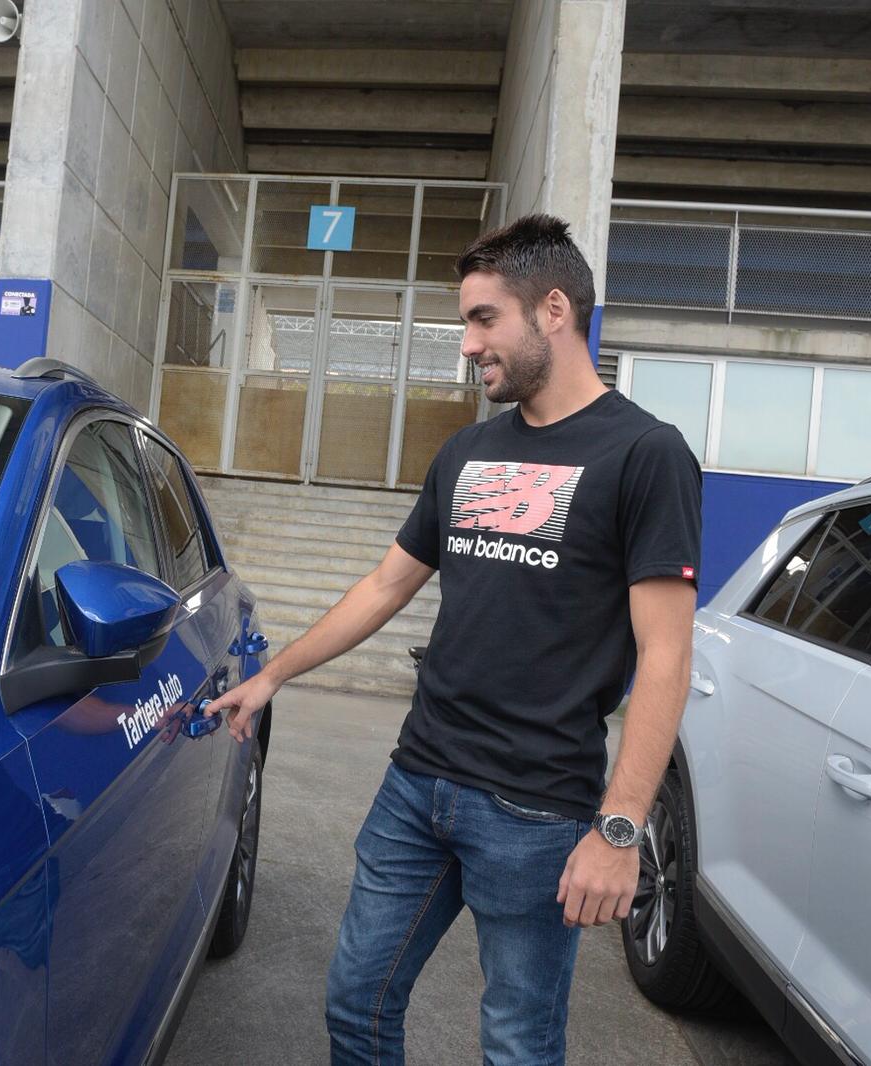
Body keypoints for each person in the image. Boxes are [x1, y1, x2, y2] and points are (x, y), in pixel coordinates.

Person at [206, 214, 703, 1066]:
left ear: (553, 309)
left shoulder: (645, 454)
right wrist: (275, 672)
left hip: (537, 808)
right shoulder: (468, 450)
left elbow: (666, 655)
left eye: (483, 319)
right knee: (355, 1001)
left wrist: (619, 830)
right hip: (419, 782)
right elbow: (387, 584)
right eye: (465, 323)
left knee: (517, 1042)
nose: (468, 345)